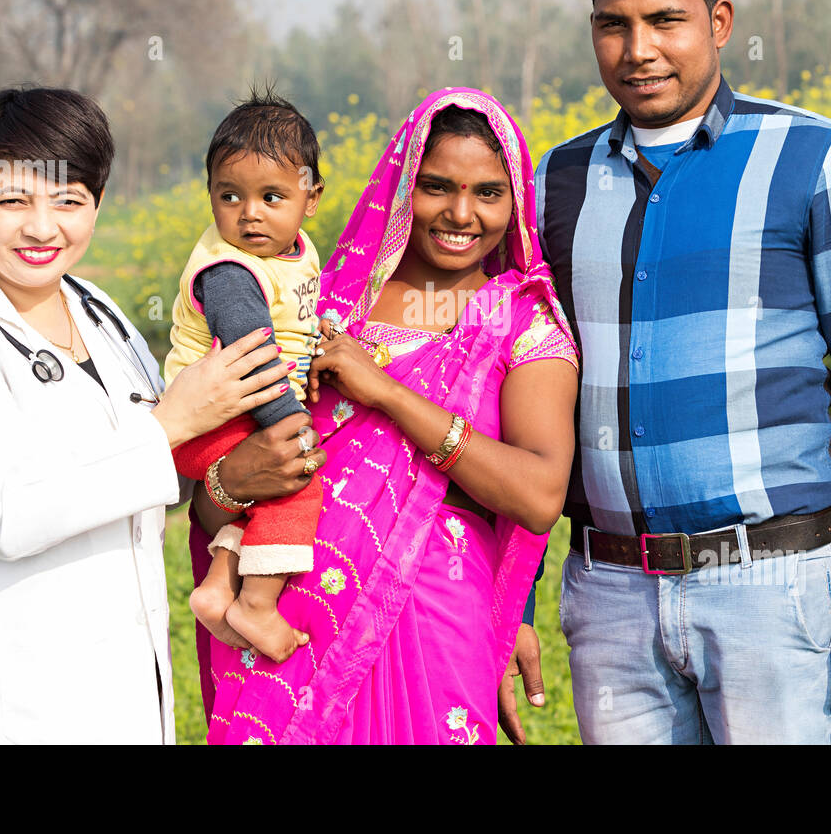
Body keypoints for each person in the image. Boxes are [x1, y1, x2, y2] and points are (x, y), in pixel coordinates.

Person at [508, 0, 831, 744]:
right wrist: (512, 604)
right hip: (610, 594)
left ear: (720, 21)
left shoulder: (815, 158)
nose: (638, 50)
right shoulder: (555, 181)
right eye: (613, 24)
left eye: (665, 20)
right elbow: (522, 400)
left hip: (770, 590)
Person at [0, 86, 294, 744]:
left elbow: (153, 477)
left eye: (68, 201)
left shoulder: (100, 312)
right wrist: (174, 424)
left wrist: (228, 471)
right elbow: (4, 514)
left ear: (97, 204)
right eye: (12, 201)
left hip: (120, 686)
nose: (42, 228)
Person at [190, 87, 580, 744]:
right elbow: (220, 491)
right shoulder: (325, 305)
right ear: (403, 188)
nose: (462, 214)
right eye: (437, 187)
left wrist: (389, 394)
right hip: (287, 620)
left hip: (434, 620)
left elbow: (540, 497)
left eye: (488, 192)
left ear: (515, 201)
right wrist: (228, 484)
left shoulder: (521, 325)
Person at [165, 91, 325, 664]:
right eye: (229, 196)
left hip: (239, 412)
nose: (249, 212)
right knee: (296, 481)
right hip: (207, 419)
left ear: (311, 198)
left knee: (262, 499)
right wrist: (291, 424)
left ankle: (218, 586)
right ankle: (256, 604)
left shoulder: (292, 253)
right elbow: (254, 355)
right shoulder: (230, 271)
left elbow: (298, 322)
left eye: (271, 197)